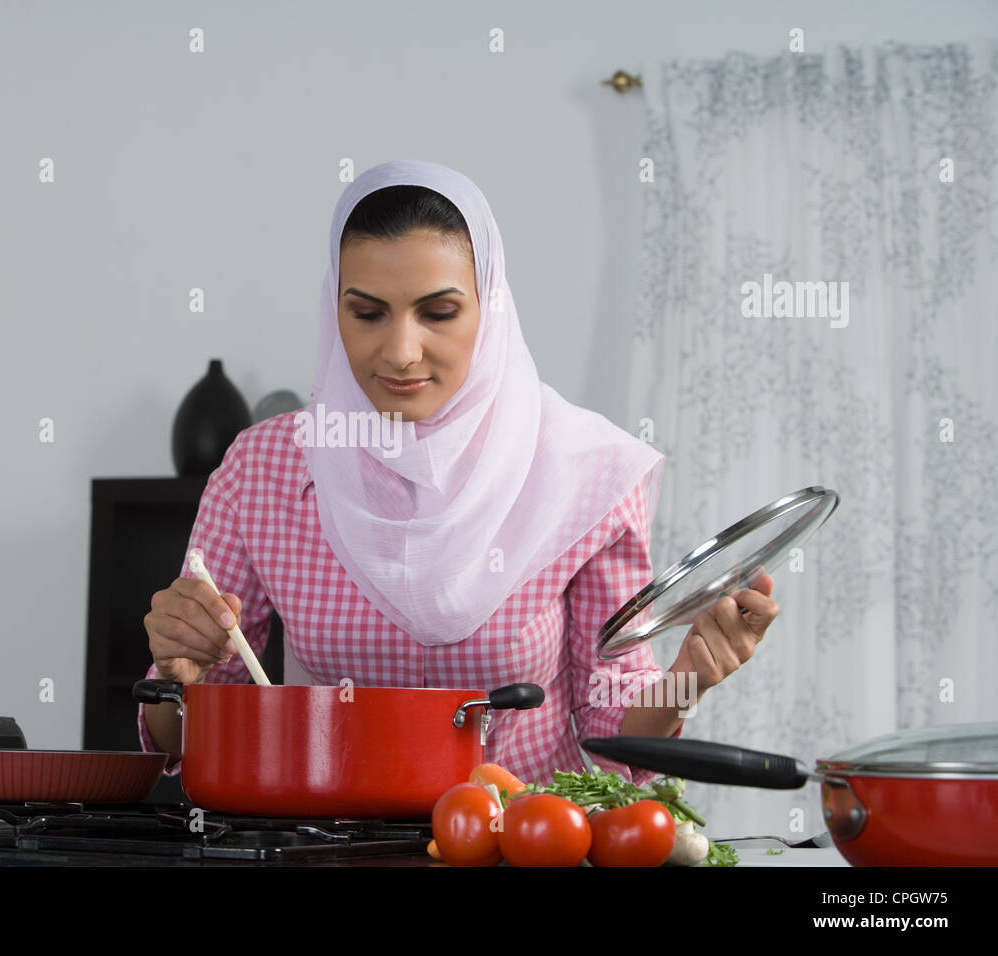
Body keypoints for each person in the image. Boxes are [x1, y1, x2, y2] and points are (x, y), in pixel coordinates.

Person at [139, 159, 779, 786]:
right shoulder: (263, 471)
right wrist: (175, 671)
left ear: (490, 305)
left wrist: (690, 673)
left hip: (524, 847)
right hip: (333, 848)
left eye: (438, 313)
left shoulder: (585, 473)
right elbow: (191, 733)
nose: (399, 351)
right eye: (366, 313)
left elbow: (611, 732)